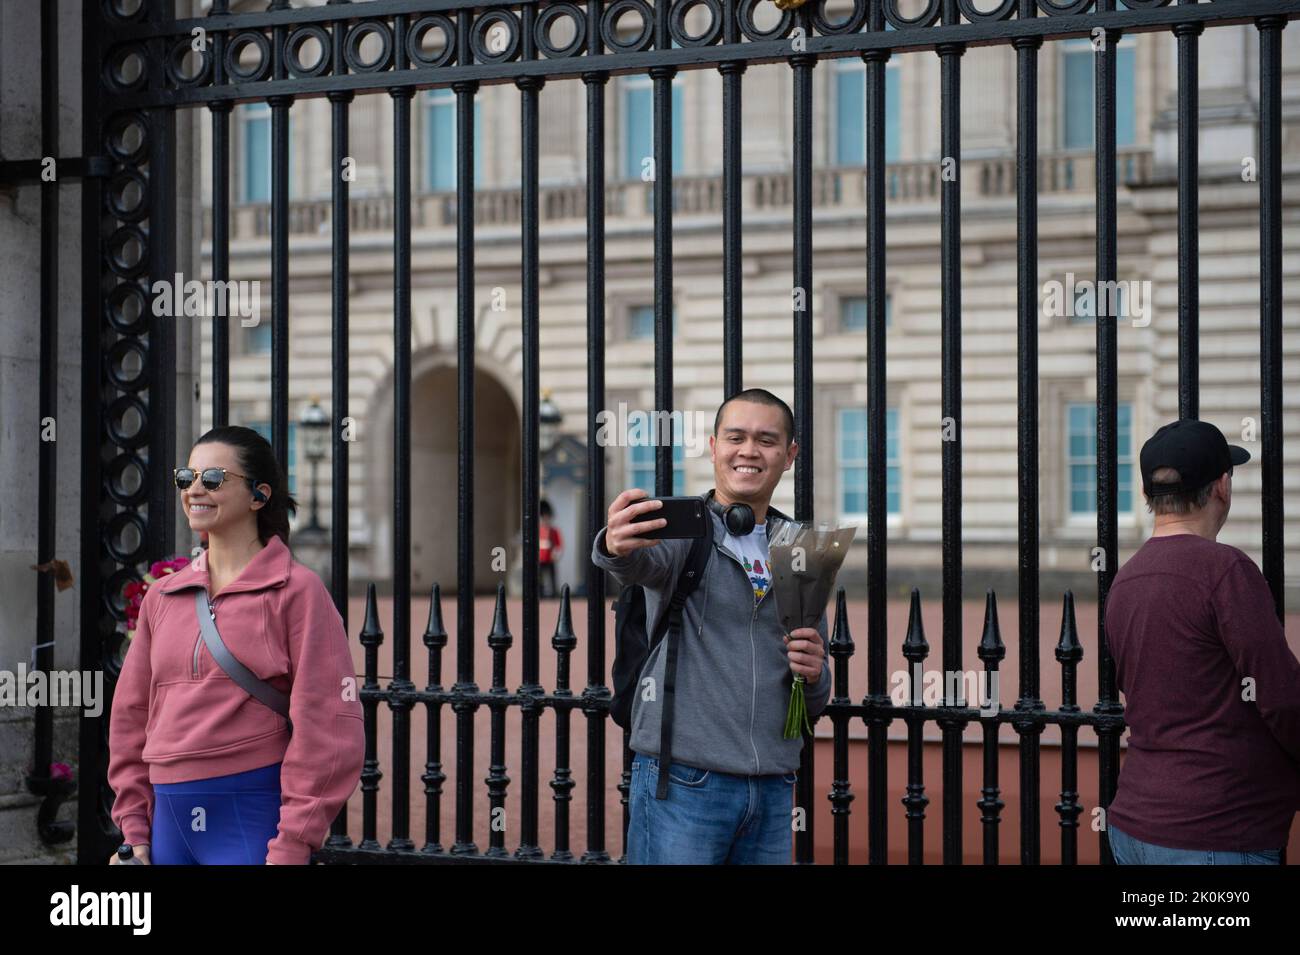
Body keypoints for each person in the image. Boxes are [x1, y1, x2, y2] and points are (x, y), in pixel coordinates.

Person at [591, 388, 831, 864]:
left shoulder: (802, 551)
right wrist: (615, 544)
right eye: (735, 437)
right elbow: (635, 564)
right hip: (683, 783)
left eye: (766, 440)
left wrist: (815, 673)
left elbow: (814, 699)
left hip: (774, 786)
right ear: (713, 445)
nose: (749, 450)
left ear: (789, 455)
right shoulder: (683, 533)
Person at [108, 425, 365, 865]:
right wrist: (133, 830)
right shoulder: (162, 596)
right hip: (166, 824)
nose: (194, 490)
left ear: (259, 496)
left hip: (250, 819)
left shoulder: (297, 592)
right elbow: (130, 717)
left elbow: (329, 724)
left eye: (213, 479)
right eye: (186, 478)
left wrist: (293, 843)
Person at [1105, 419, 1300, 865]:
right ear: (1223, 487)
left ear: (1149, 497)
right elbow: (1283, 698)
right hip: (1217, 829)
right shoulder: (1226, 570)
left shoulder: (1125, 580)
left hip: (1133, 828)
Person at [538, 499, 563, 598]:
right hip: (541, 558)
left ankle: (553, 594)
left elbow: (558, 544)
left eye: (547, 516)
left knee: (552, 577)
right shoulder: (539, 530)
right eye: (544, 517)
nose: (545, 519)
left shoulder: (554, 530)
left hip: (550, 558)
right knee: (540, 578)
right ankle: (541, 593)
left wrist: (556, 554)